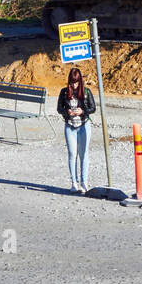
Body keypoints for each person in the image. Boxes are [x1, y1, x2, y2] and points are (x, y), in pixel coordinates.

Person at [57, 66, 97, 194]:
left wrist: (82, 111)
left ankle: (84, 182)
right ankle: (74, 182)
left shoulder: (86, 92)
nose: (74, 85)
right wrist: (67, 112)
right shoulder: (64, 92)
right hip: (70, 126)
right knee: (72, 154)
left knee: (84, 153)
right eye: (72, 82)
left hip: (84, 125)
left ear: (80, 81)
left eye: (76, 82)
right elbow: (59, 108)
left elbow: (93, 108)